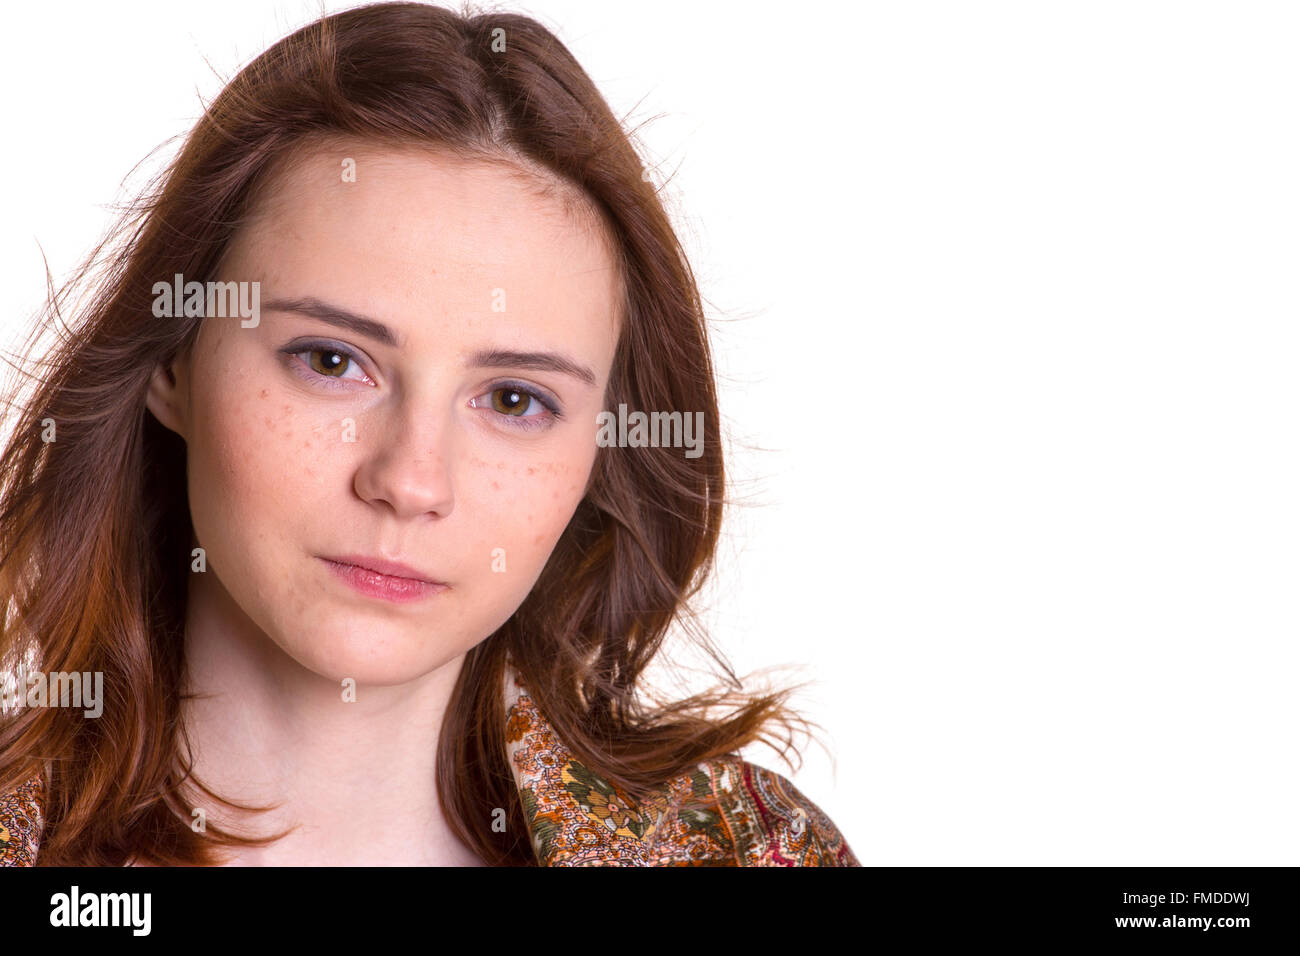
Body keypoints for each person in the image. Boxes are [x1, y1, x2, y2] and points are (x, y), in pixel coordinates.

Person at [0, 1, 858, 866]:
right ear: (171, 360)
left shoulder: (749, 853)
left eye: (516, 402)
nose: (411, 482)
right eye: (331, 362)